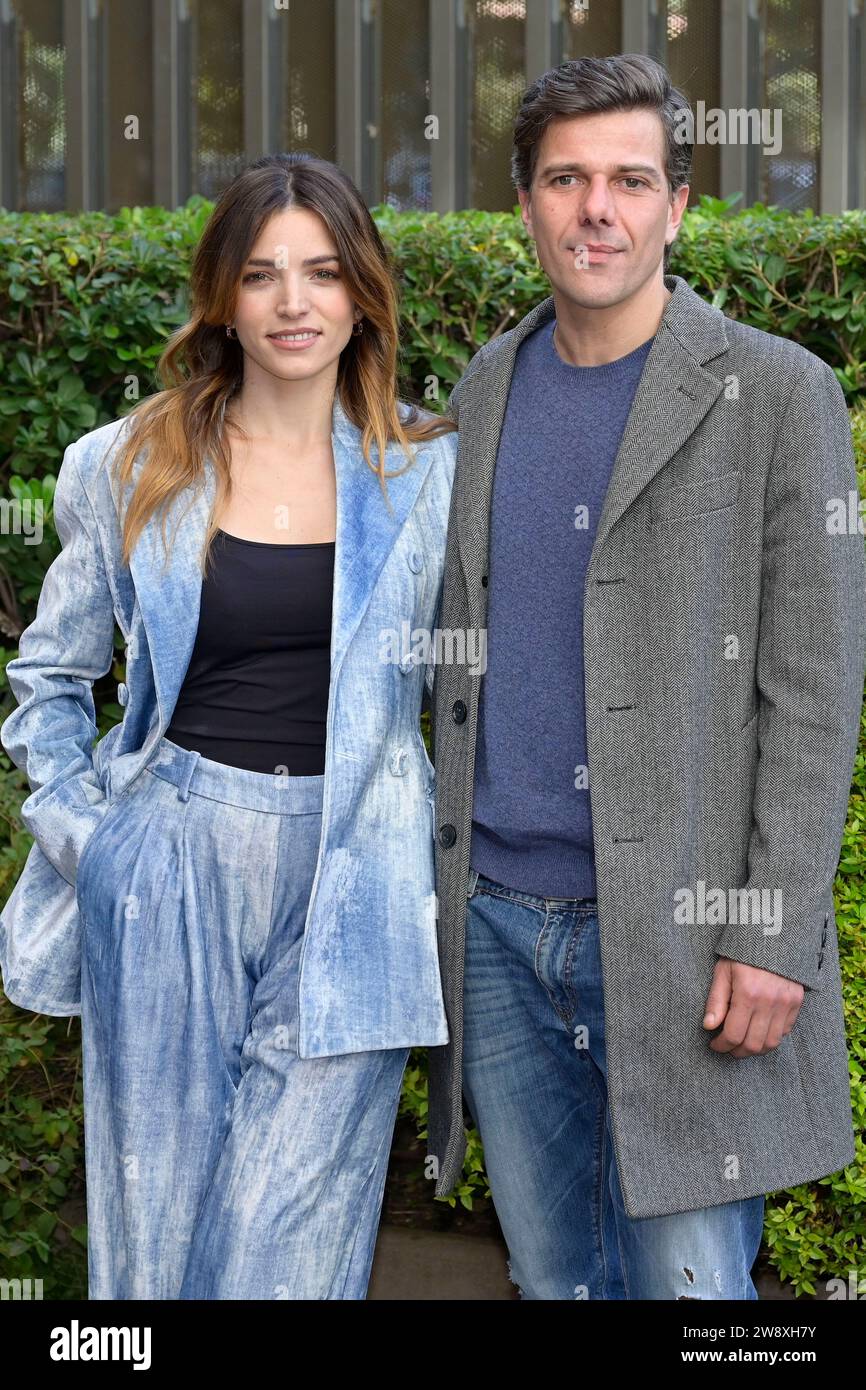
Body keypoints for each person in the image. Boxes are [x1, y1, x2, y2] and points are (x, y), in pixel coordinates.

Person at [425, 54, 866, 1299]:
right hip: (496, 932)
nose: (594, 210)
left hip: (679, 940)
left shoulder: (781, 393)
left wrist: (772, 930)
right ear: (523, 202)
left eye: (628, 179)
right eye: (564, 179)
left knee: (693, 1294)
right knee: (556, 1277)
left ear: (677, 204)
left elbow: (816, 683)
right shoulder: (482, 391)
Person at [0, 152, 457, 1300]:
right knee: (152, 1247)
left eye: (320, 272)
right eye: (261, 275)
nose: (293, 303)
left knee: (282, 1247)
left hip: (356, 873)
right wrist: (86, 841)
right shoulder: (129, 461)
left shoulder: (429, 467)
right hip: (168, 855)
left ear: (360, 292)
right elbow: (52, 676)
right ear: (223, 296)